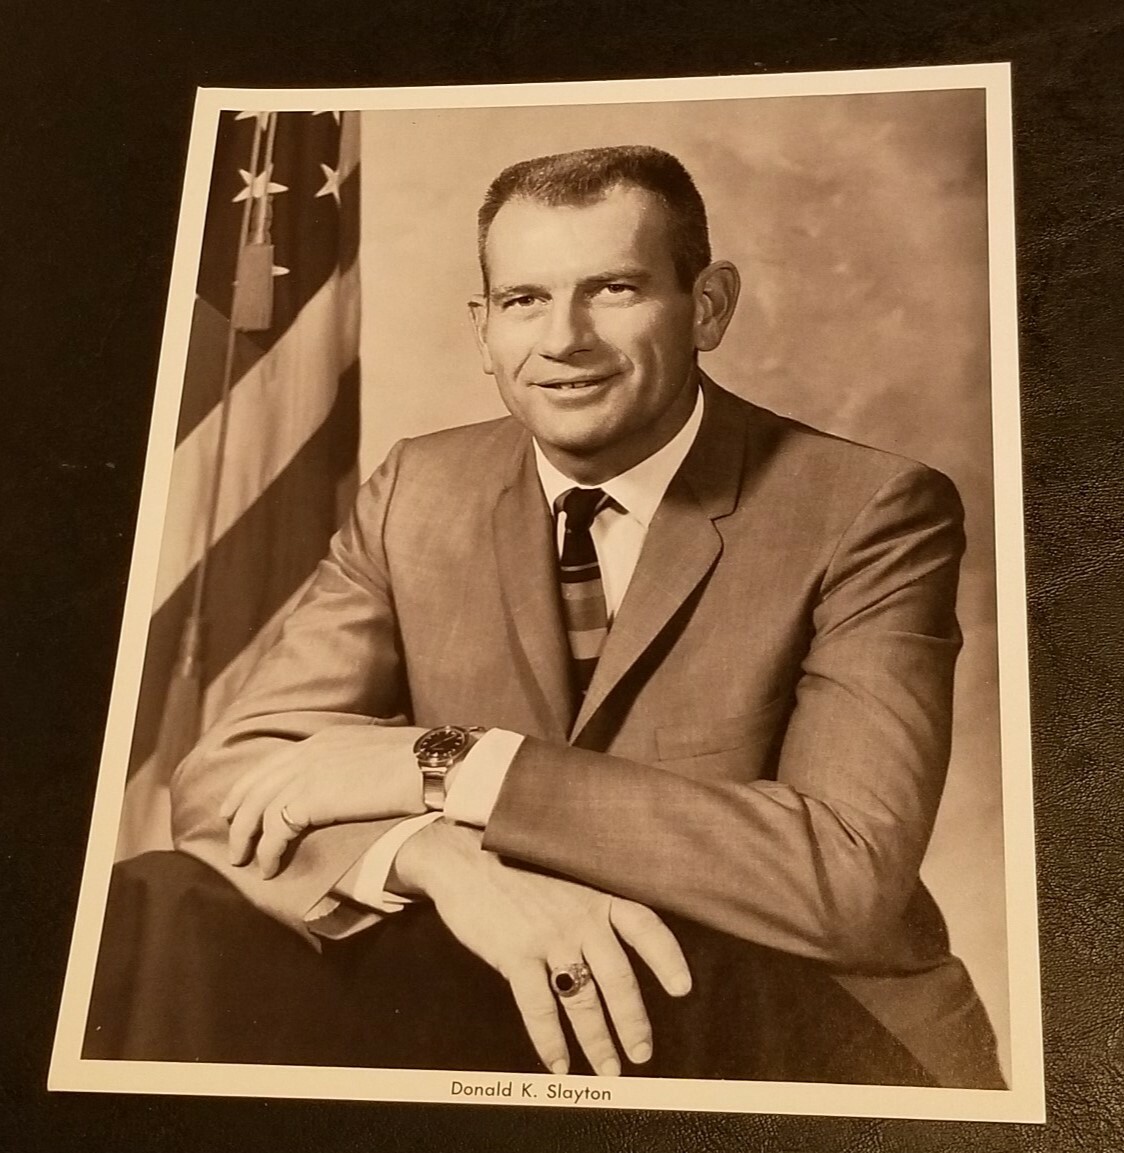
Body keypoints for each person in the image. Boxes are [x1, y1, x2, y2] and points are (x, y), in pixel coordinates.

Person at [85, 144, 1003, 1089]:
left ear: (711, 305)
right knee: (162, 908)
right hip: (504, 987)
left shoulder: (871, 506)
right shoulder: (419, 488)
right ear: (483, 328)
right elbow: (230, 777)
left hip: (783, 1017)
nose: (563, 338)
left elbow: (841, 877)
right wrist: (434, 857)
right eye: (523, 299)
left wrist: (448, 762)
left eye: (612, 288)